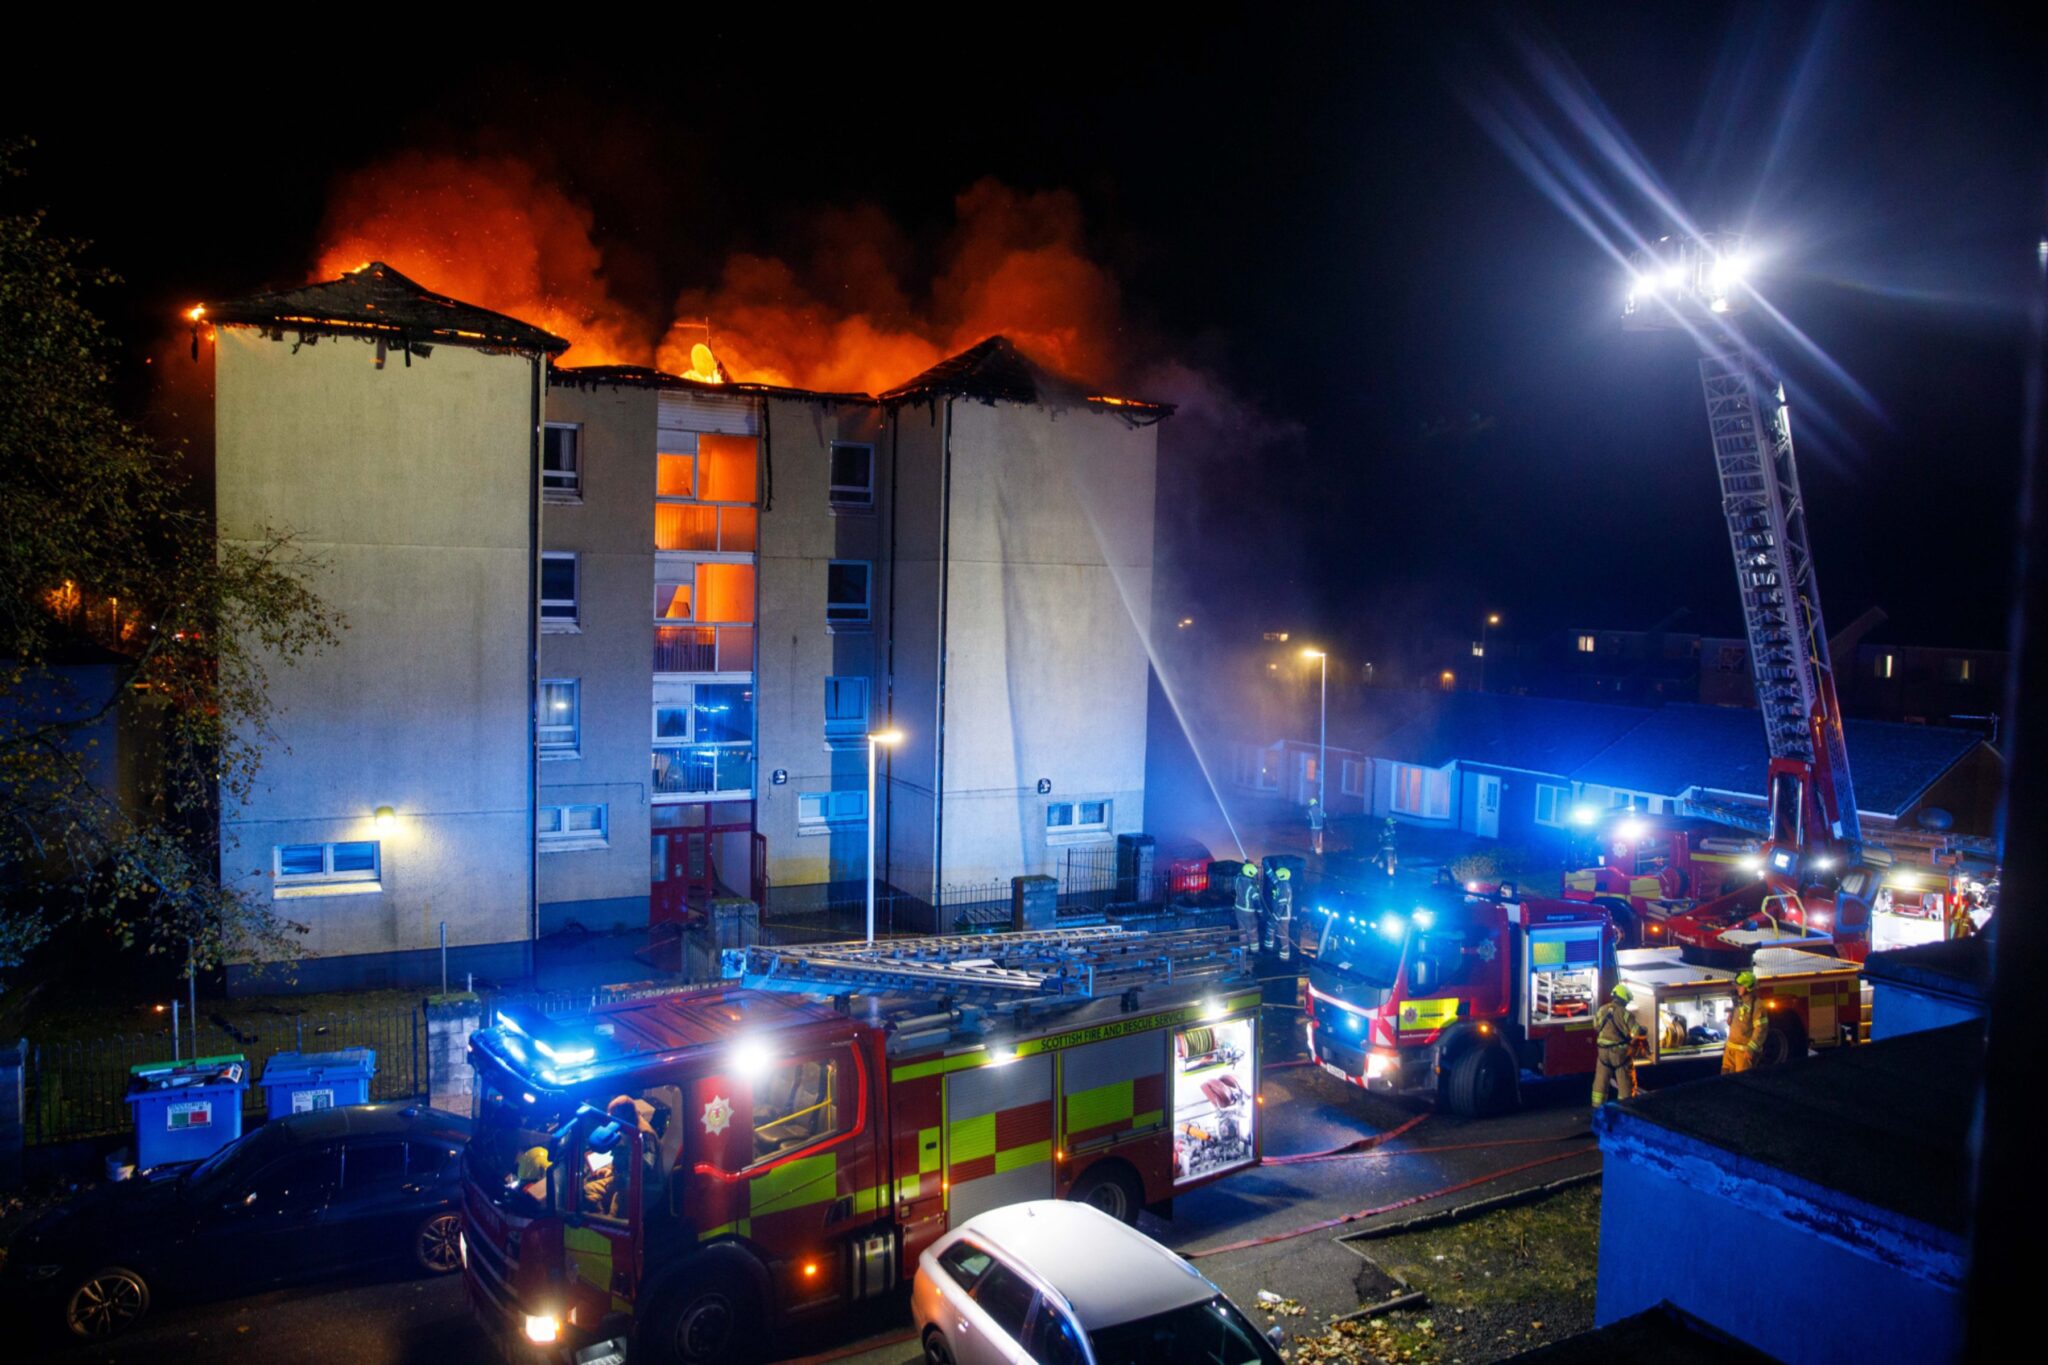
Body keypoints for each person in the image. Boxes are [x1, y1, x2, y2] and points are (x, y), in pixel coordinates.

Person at [1591, 984, 1643, 1107]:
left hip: (1603, 1053)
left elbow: (1595, 1026)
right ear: (1624, 999)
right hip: (1620, 1054)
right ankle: (1625, 1108)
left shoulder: (1602, 1009)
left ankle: (1597, 1108)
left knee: (1600, 1082)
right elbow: (1637, 1032)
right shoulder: (1625, 1014)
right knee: (1626, 1084)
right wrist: (1632, 1044)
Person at [1722, 969, 1770, 1074]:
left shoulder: (1758, 1005)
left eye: (1740, 985)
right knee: (1725, 1081)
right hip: (1730, 1050)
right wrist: (1730, 1018)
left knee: (1743, 1082)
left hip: (1743, 1053)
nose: (1737, 987)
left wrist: (1751, 1049)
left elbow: (1761, 1030)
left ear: (1748, 987)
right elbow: (1738, 1024)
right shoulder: (1739, 1001)